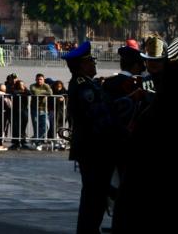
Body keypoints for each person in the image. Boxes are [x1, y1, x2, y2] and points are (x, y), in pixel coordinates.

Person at [62, 41, 115, 234]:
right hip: (94, 148)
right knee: (94, 195)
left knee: (95, 195)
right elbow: (99, 117)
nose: (94, 64)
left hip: (91, 148)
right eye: (91, 60)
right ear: (82, 65)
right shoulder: (84, 87)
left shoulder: (86, 83)